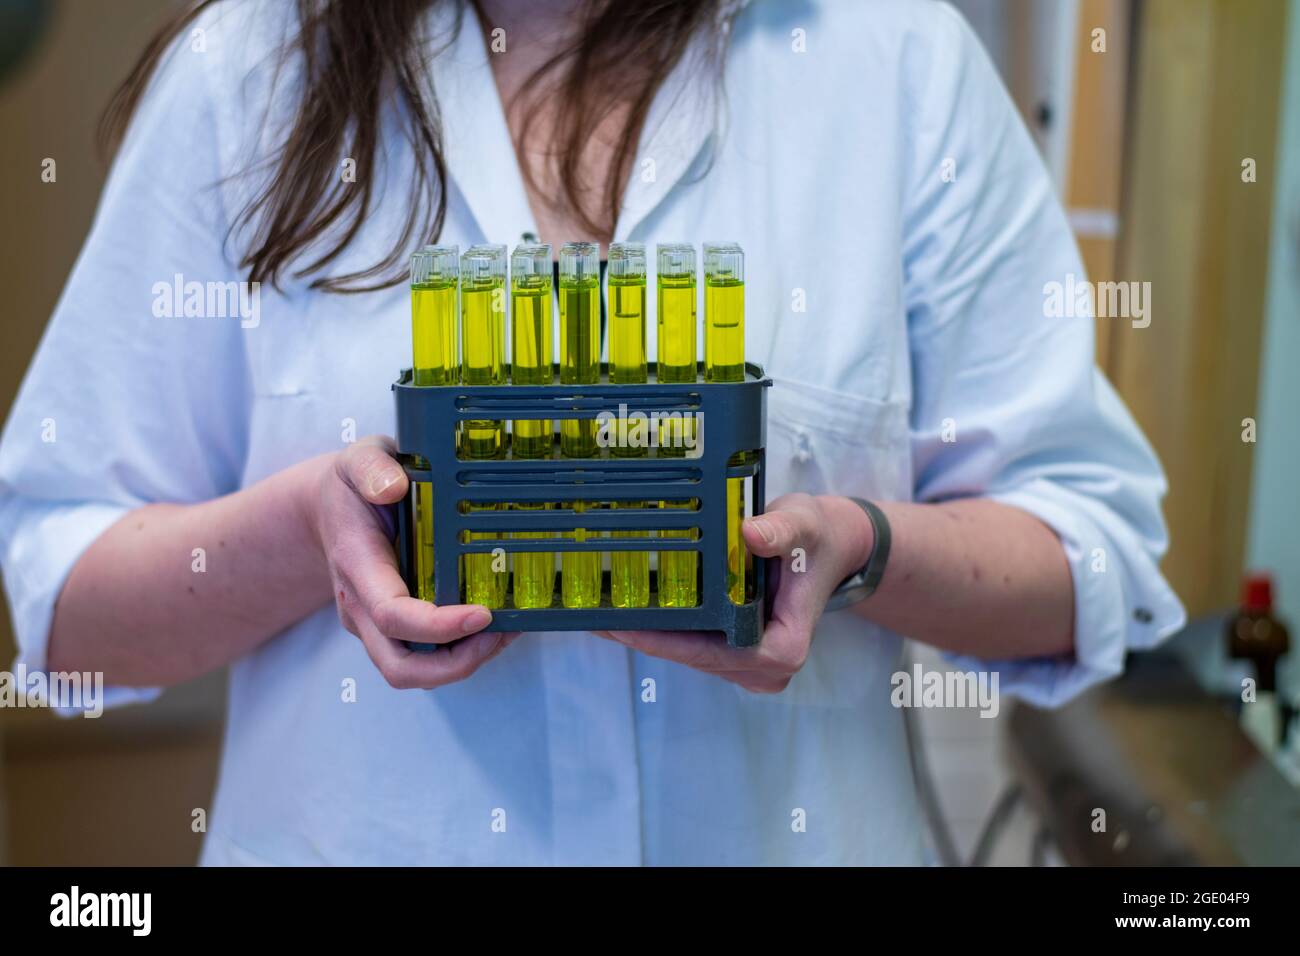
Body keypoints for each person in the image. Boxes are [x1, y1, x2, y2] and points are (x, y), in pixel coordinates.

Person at [0, 0, 1184, 865]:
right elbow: (70, 602)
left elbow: (1089, 556)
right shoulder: (249, 70)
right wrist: (320, 538)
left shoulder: (891, 59)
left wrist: (859, 547)